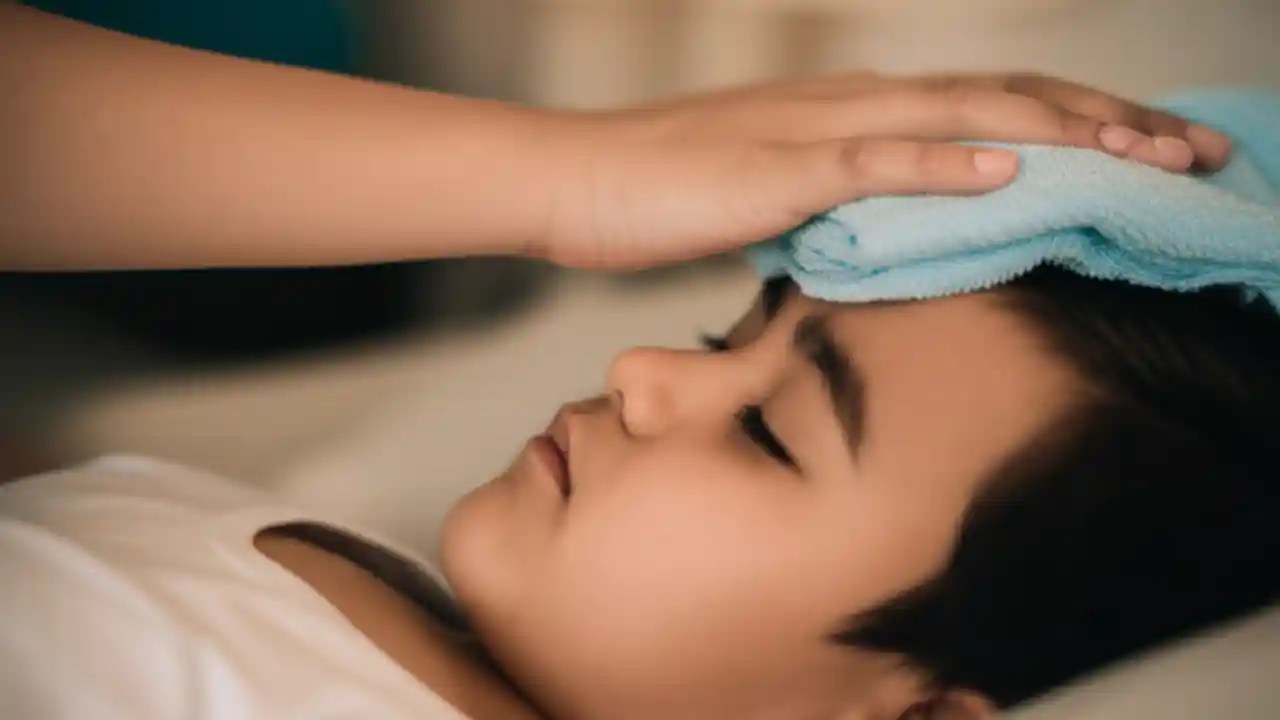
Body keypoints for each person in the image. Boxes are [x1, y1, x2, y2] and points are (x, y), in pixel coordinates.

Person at [2, 3, 1272, 720]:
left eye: (770, 431)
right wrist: (569, 169)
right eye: (731, 337)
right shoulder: (349, 558)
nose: (644, 371)